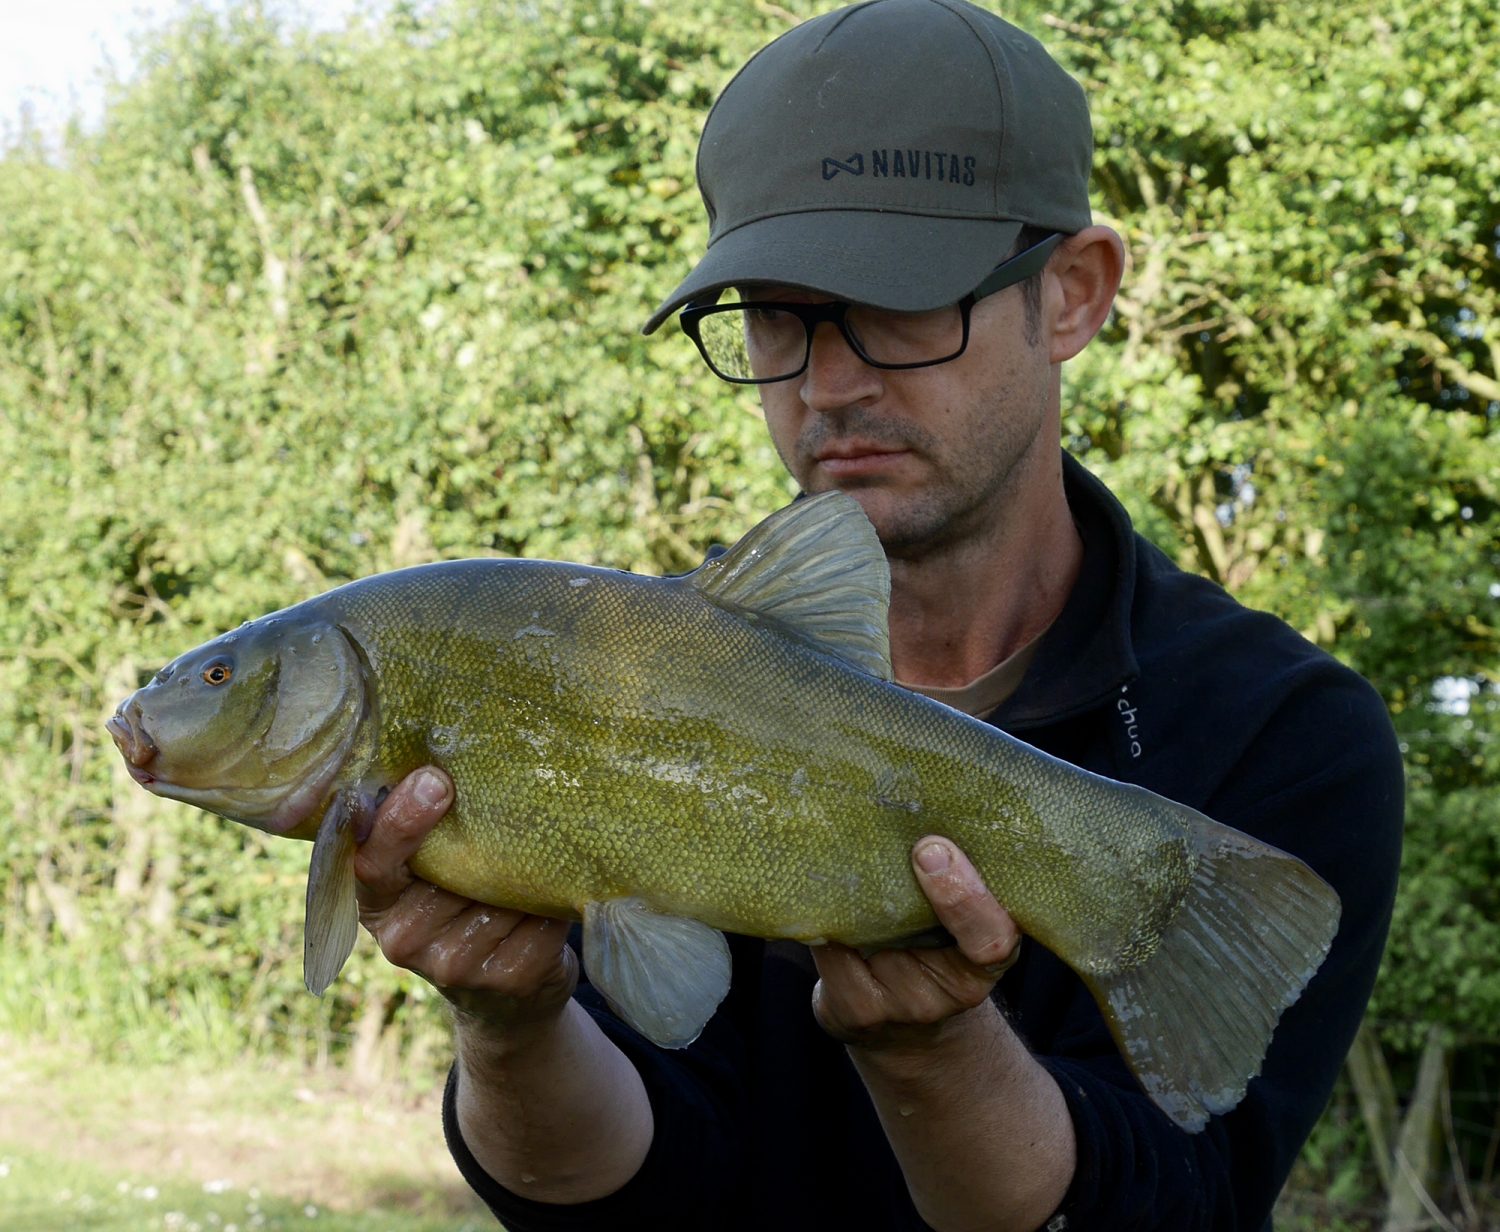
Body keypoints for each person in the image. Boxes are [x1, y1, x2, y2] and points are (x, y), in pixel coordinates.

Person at [352, 1, 1404, 1228]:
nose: (828, 381)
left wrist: (934, 1048)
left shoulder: (1279, 728)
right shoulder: (634, 676)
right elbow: (640, 1186)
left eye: (901, 300)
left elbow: (1184, 1203)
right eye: (775, 315)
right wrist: (510, 1018)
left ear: (1071, 294)